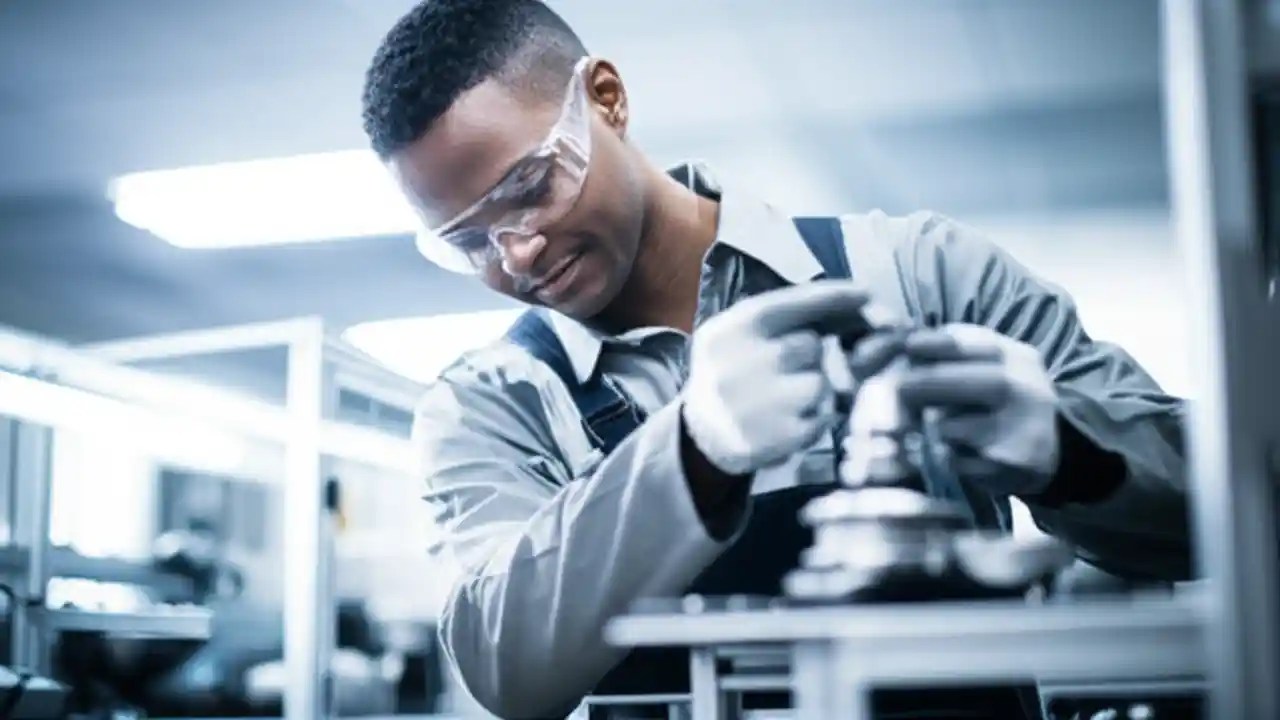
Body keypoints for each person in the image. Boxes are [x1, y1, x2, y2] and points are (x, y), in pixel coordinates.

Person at [360, 1, 1193, 718]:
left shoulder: (923, 275)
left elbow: (1219, 521)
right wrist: (692, 453)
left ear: (606, 100)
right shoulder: (488, 408)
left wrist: (1073, 456)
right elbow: (505, 668)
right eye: (470, 240)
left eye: (530, 187)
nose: (519, 253)